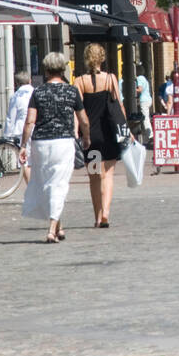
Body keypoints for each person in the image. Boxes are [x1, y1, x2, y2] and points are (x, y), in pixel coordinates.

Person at [20, 52, 89, 243]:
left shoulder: (39, 92)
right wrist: (86, 139)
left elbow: (30, 121)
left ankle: (59, 227)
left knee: (46, 183)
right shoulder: (71, 91)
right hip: (63, 142)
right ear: (62, 69)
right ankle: (51, 229)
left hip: (40, 142)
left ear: (47, 70)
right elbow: (83, 119)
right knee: (58, 184)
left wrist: (23, 145)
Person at [74, 43, 121, 228]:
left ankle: (97, 215)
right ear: (102, 58)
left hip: (91, 136)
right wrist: (127, 132)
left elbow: (77, 111)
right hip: (109, 133)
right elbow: (119, 107)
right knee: (108, 174)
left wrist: (76, 133)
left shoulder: (79, 81)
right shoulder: (110, 79)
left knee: (94, 177)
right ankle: (106, 214)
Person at [134, 73, 153, 141]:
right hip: (148, 99)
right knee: (147, 117)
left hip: (144, 100)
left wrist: (132, 88)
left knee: (145, 119)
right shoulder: (144, 78)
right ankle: (149, 133)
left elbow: (140, 89)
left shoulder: (139, 78)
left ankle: (150, 136)